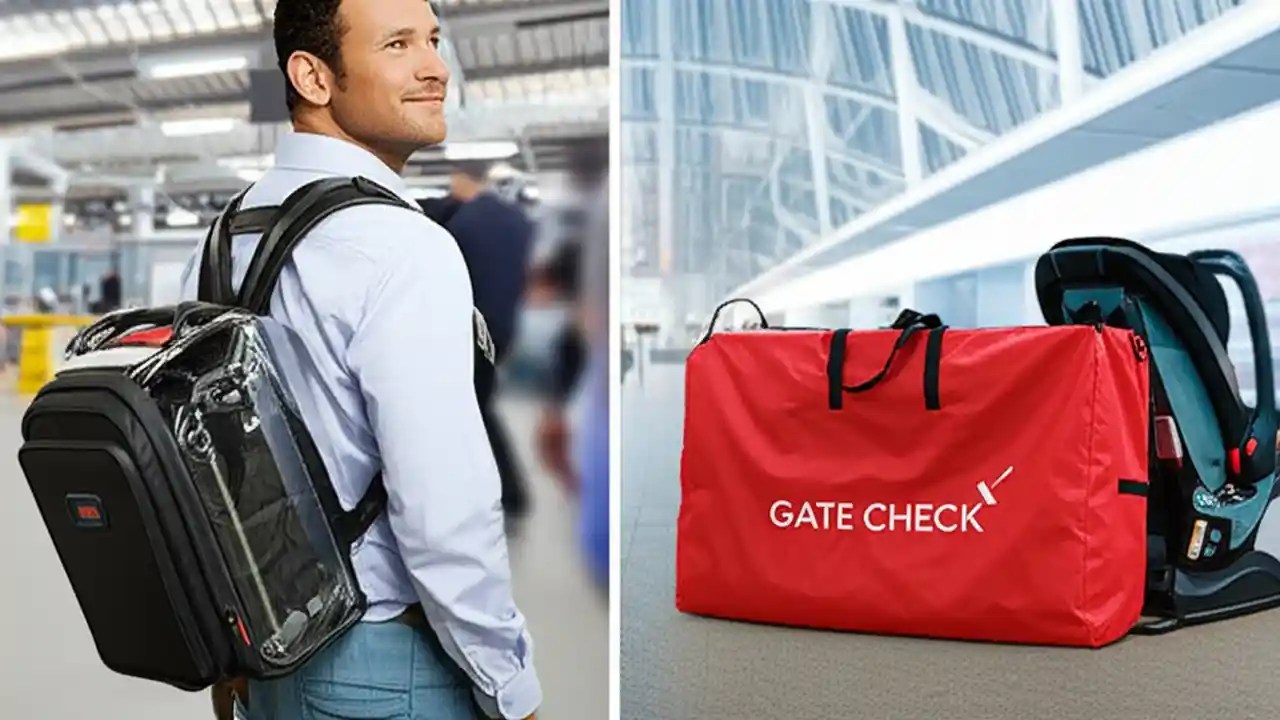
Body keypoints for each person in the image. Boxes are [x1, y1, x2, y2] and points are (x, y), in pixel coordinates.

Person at [180, 0, 540, 718]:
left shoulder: (221, 238)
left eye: (434, 41)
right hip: (386, 669)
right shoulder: (403, 246)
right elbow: (444, 516)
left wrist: (230, 649)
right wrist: (511, 687)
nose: (436, 67)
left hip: (268, 655)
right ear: (313, 76)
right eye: (398, 44)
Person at [421, 162, 537, 519]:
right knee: (476, 406)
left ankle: (509, 491)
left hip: (469, 331)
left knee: (475, 409)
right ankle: (499, 488)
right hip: (504, 328)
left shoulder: (460, 225)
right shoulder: (516, 220)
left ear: (458, 178)